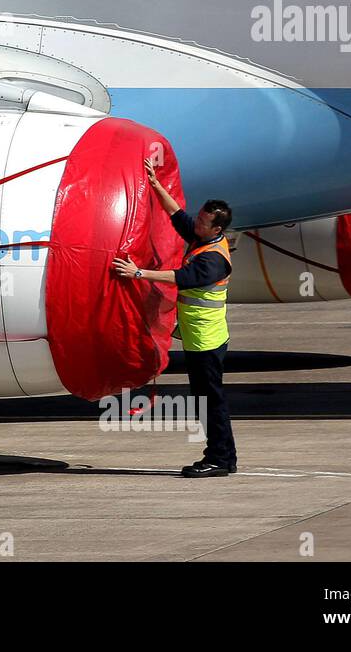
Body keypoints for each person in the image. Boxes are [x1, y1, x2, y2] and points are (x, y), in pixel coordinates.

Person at [111, 160, 237, 478]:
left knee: (210, 402)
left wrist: (137, 273)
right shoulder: (202, 238)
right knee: (209, 400)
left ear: (217, 228)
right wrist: (155, 185)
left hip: (206, 341)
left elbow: (179, 277)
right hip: (200, 338)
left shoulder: (213, 259)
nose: (197, 224)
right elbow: (178, 216)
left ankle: (218, 459)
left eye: (204, 222)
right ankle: (225, 457)